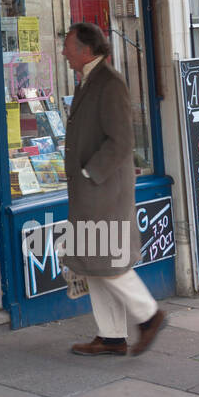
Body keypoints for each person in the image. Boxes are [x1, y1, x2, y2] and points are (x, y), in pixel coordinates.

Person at [59, 22, 166, 356]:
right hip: (92, 191)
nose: (63, 52)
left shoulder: (110, 82)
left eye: (68, 46)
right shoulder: (90, 79)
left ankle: (149, 316)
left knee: (109, 261)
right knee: (95, 264)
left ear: (86, 50)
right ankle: (112, 336)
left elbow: (122, 141)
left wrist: (90, 173)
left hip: (103, 192)